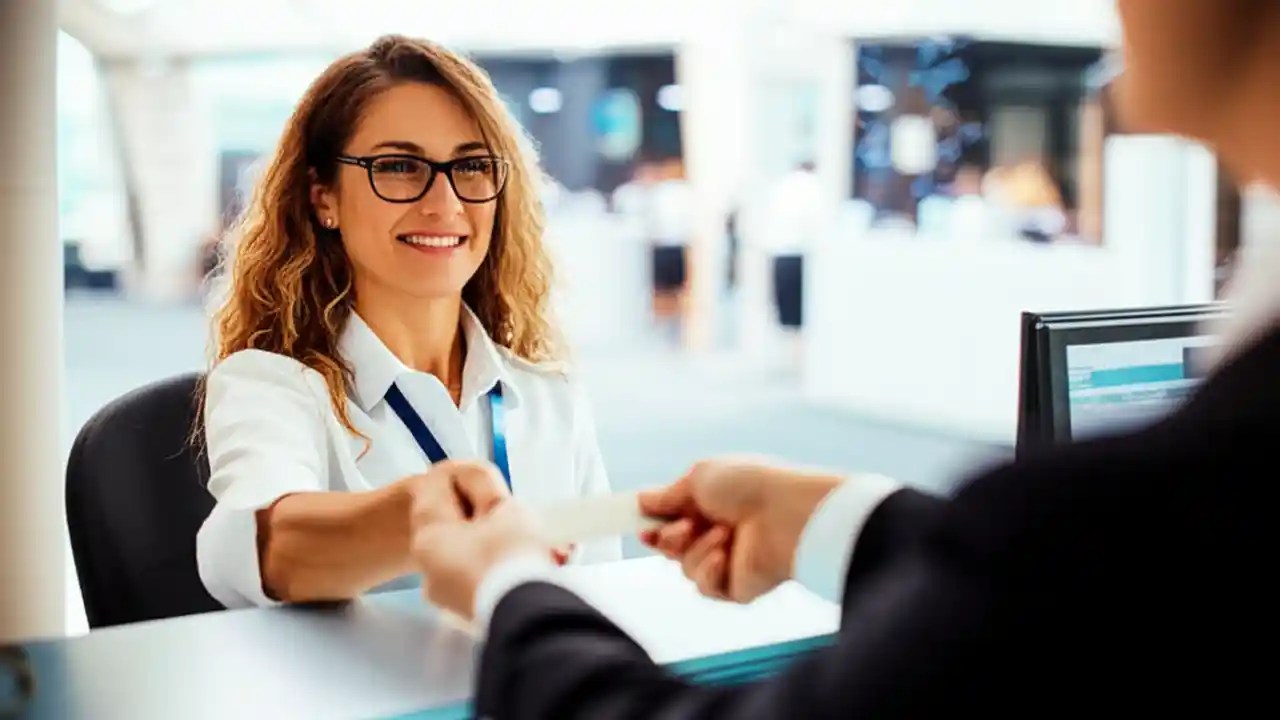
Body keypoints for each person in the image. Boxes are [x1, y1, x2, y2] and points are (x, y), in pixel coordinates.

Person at [407, 1, 1278, 715]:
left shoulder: (1126, 515)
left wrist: (507, 585)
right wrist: (840, 524)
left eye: (471, 168)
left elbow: (1086, 586)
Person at [195, 34, 620, 609]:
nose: (444, 202)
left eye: (470, 166)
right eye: (398, 166)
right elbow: (268, 550)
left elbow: (598, 599)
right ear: (324, 198)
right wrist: (421, 516)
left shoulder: (550, 395)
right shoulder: (270, 387)